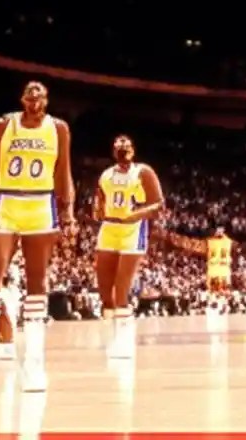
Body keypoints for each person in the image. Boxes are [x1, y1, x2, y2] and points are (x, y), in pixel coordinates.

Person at [0, 81, 75, 392]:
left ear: (47, 100)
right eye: (30, 93)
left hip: (41, 205)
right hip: (7, 203)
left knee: (38, 283)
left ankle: (35, 364)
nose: (34, 97)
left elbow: (63, 171)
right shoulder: (2, 125)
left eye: (40, 93)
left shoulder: (59, 129)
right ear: (22, 98)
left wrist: (68, 211)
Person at [94, 135, 164, 358]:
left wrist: (134, 216)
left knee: (121, 287)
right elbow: (100, 199)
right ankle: (110, 335)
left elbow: (159, 204)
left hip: (133, 229)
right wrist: (96, 207)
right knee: (105, 289)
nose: (122, 150)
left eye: (126, 147)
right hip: (109, 227)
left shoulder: (143, 172)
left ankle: (123, 340)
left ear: (133, 150)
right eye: (118, 147)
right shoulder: (106, 174)